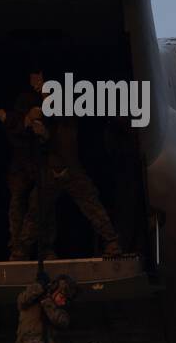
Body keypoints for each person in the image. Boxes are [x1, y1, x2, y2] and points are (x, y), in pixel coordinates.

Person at [17, 90, 122, 259]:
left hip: (71, 169)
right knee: (36, 211)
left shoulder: (66, 115)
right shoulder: (42, 113)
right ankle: (24, 250)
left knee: (91, 205)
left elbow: (63, 137)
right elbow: (35, 134)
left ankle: (111, 241)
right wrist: (34, 124)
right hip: (49, 170)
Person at [0, 69, 45, 260]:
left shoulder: (36, 118)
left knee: (38, 206)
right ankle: (19, 247)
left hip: (37, 166)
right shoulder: (17, 119)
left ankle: (27, 247)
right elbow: (10, 119)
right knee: (19, 205)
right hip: (22, 166)